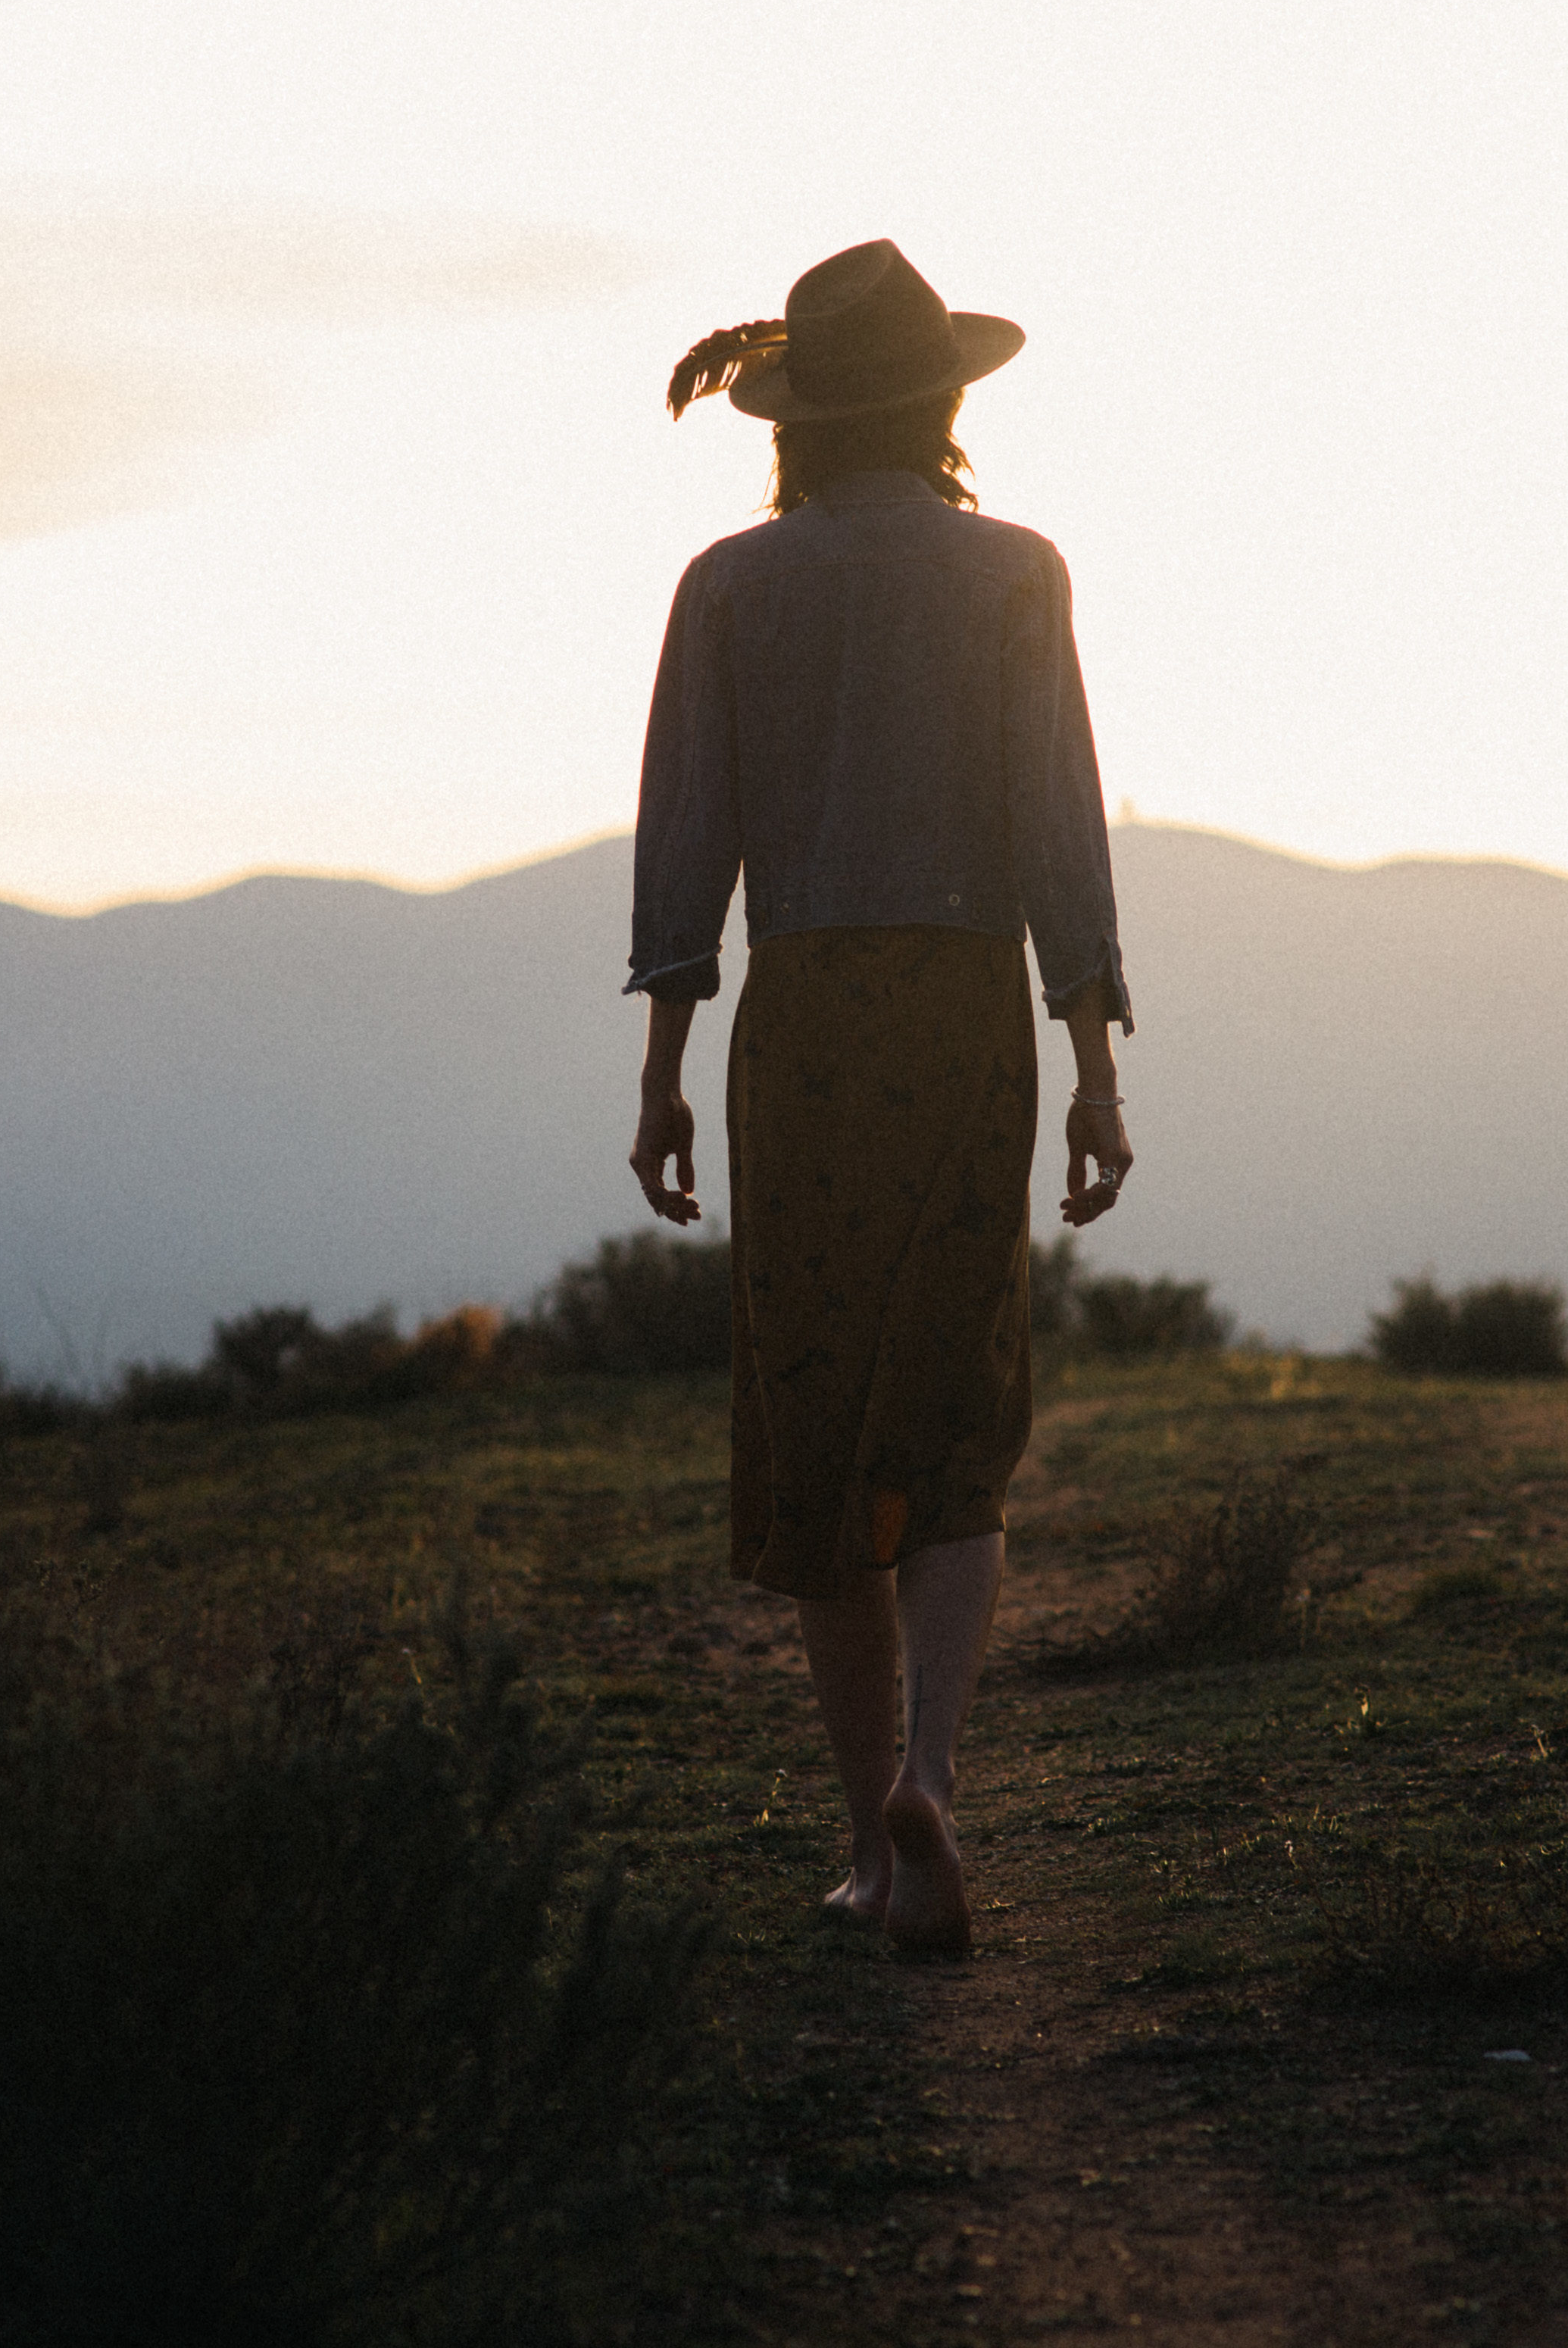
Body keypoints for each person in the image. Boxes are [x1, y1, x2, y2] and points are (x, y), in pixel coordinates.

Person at [623, 238, 1135, 1956]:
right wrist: (1094, 1067)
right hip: (966, 1009)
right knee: (957, 1408)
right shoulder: (1018, 571)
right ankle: (930, 1774)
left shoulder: (729, 587)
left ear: (798, 420)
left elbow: (685, 848)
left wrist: (664, 1076)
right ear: (940, 407)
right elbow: (1060, 826)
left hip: (807, 1025)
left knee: (821, 1420)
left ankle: (865, 1846)